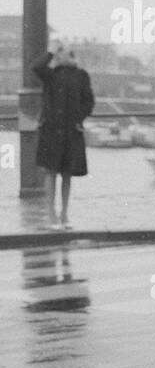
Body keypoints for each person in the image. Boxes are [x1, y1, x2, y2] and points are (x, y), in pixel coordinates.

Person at [32, 41, 94, 229]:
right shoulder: (51, 74)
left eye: (63, 52)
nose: (61, 55)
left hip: (71, 130)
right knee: (50, 172)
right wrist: (50, 52)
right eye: (59, 53)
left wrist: (78, 119)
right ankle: (51, 214)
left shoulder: (82, 75)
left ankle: (64, 213)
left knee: (67, 172)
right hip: (51, 130)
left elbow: (88, 101)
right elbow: (36, 66)